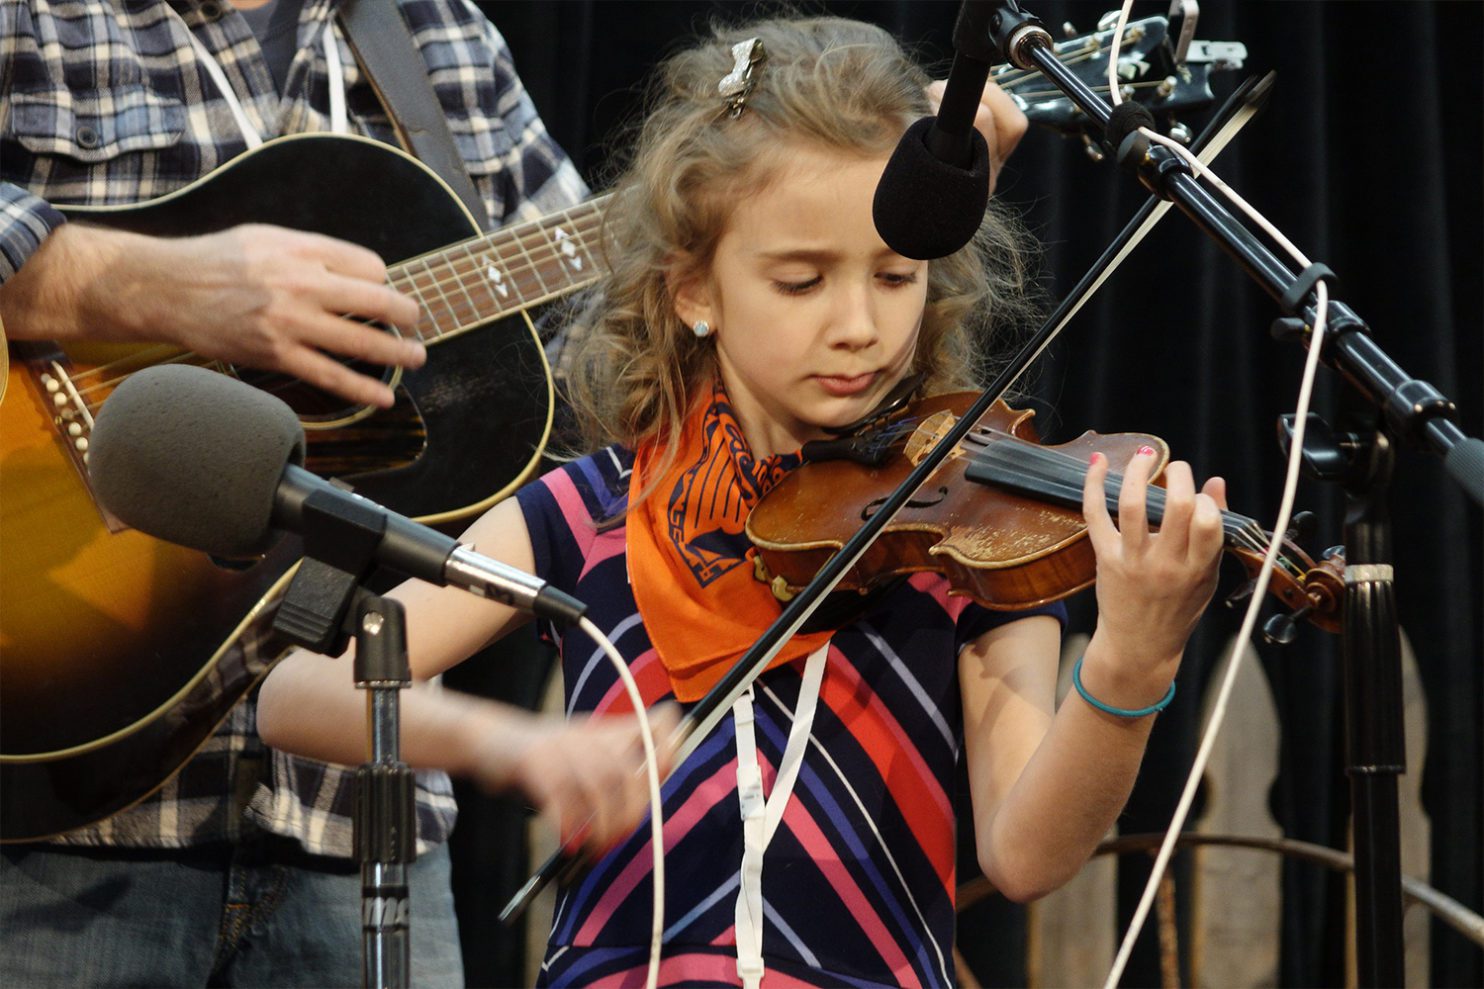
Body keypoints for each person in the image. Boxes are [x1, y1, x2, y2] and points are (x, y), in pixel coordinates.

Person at [258, 14, 1228, 988]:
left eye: (895, 276)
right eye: (800, 279)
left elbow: (1026, 852)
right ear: (692, 290)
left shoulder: (965, 540)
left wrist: (1129, 661)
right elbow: (299, 695)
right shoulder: (594, 511)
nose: (858, 325)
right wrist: (512, 741)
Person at [0, 2, 673, 985]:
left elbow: (580, 354)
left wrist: (755, 250)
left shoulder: (429, 30)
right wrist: (140, 283)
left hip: (360, 832)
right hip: (52, 833)